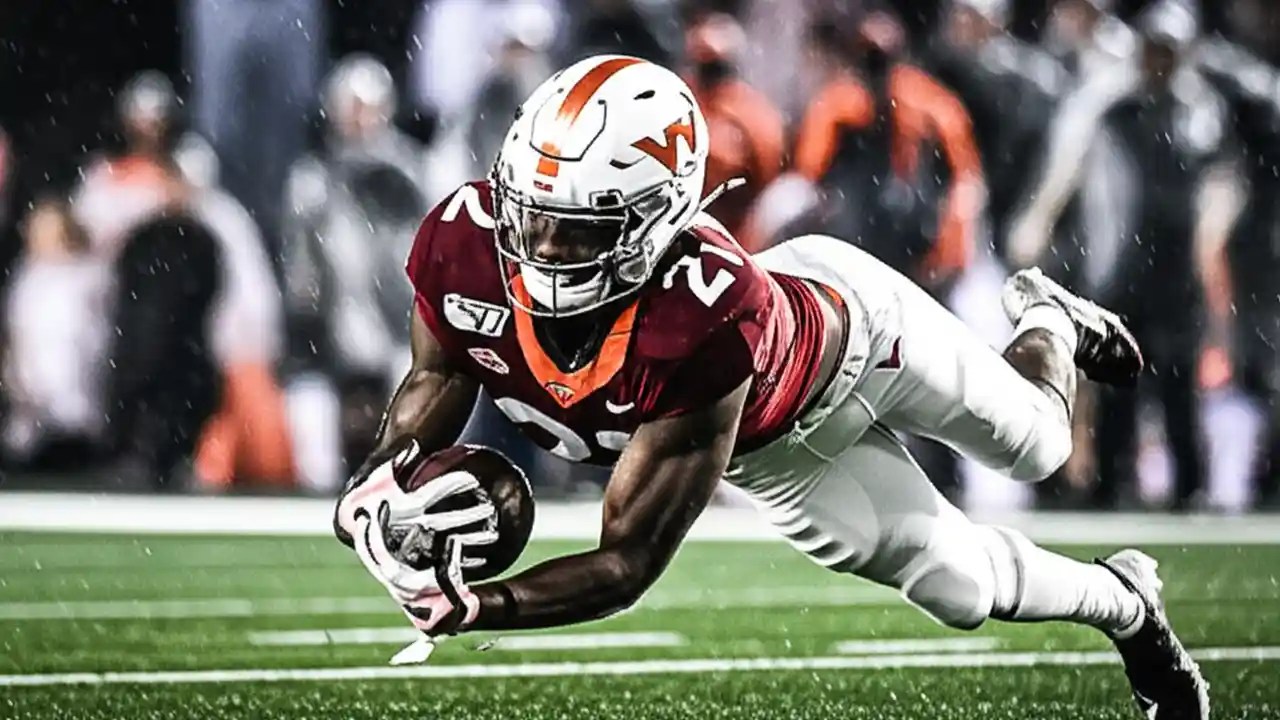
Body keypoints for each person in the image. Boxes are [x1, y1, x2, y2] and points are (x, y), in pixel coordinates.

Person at [333, 55, 1208, 718]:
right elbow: (441, 371)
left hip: (861, 337)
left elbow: (626, 561)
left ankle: (1048, 319)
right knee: (960, 591)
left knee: (1040, 445)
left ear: (657, 219)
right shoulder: (465, 243)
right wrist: (384, 474)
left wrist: (483, 606)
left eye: (578, 230)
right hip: (769, 454)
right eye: (533, 215)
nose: (543, 249)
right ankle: (1127, 603)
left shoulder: (704, 311)